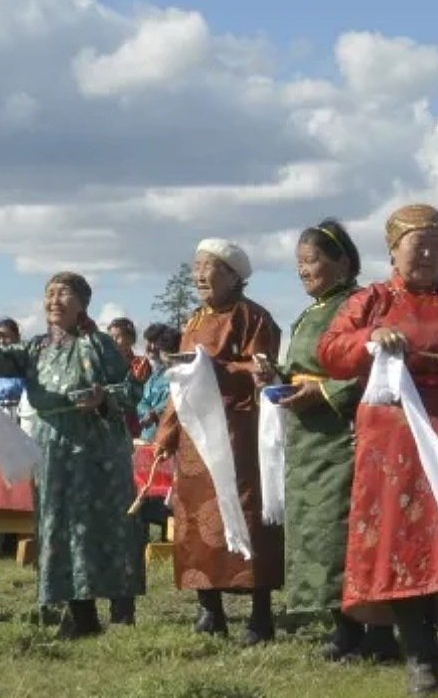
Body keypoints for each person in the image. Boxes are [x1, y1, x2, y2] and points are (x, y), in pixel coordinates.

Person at [315, 204, 438, 697]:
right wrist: (368, 340)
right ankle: (422, 666)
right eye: (418, 244)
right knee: (402, 549)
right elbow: (329, 352)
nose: (428, 253)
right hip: (394, 444)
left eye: (437, 245)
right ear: (392, 250)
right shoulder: (371, 301)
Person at [0, 273, 144, 637]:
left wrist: (102, 398)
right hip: (51, 448)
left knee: (107, 525)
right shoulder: (35, 348)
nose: (54, 300)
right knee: (60, 527)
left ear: (82, 304)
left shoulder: (100, 344)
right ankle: (80, 614)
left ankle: (122, 613)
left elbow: (130, 390)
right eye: (49, 294)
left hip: (98, 449)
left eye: (64, 294)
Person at [257, 219, 399, 663]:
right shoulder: (309, 313)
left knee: (346, 532)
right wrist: (274, 377)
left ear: (342, 262)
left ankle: (375, 633)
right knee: (317, 534)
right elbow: (303, 369)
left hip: (346, 435)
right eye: (299, 263)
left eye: (312, 260)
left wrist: (324, 392)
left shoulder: (360, 306)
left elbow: (377, 368)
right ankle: (344, 626)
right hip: (307, 439)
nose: (304, 270)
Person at [153, 239, 284, 644]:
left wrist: (214, 367)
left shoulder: (253, 317)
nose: (198, 275)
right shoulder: (193, 322)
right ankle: (209, 610)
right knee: (193, 522)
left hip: (237, 432)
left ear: (233, 275)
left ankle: (260, 616)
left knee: (246, 514)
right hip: (195, 435)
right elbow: (180, 385)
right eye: (194, 267)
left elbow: (261, 371)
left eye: (207, 267)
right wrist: (167, 433)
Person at [106, 317, 151, 438]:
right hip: (109, 425)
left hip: (137, 422)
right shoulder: (103, 366)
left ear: (130, 339)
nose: (113, 341)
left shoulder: (140, 364)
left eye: (118, 337)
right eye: (110, 337)